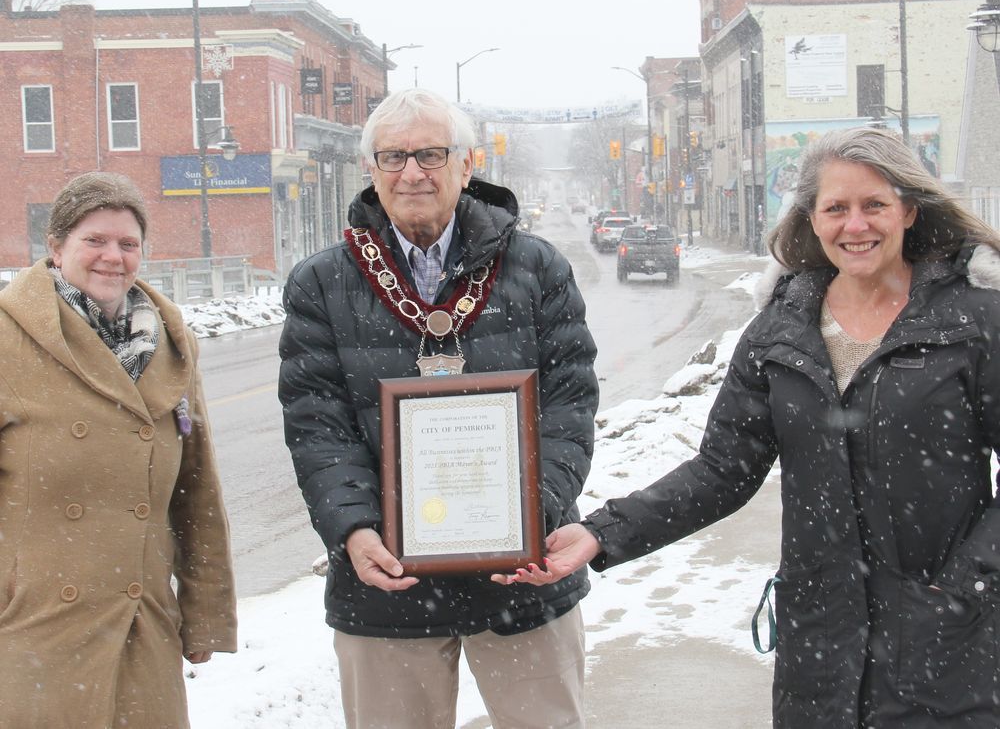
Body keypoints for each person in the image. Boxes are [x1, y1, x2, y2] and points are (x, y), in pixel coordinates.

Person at [495, 127, 1000, 728]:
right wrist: (600, 534)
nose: (855, 225)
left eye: (874, 205)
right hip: (820, 641)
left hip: (951, 639)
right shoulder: (779, 333)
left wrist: (968, 581)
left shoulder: (972, 323)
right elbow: (721, 471)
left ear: (910, 211)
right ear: (811, 219)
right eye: (835, 207)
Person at [278, 88, 599, 729]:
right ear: (370, 169)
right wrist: (354, 528)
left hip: (522, 576)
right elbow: (317, 423)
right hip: (385, 584)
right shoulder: (322, 283)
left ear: (466, 164)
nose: (412, 172)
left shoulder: (535, 267)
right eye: (392, 156)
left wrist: (534, 512)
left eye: (430, 153)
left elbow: (570, 401)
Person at [0, 172, 237, 727]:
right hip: (34, 626)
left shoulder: (170, 342)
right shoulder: (8, 338)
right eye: (95, 241)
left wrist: (204, 614)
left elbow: (197, 494)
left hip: (143, 622)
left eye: (128, 244)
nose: (114, 257)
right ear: (56, 249)